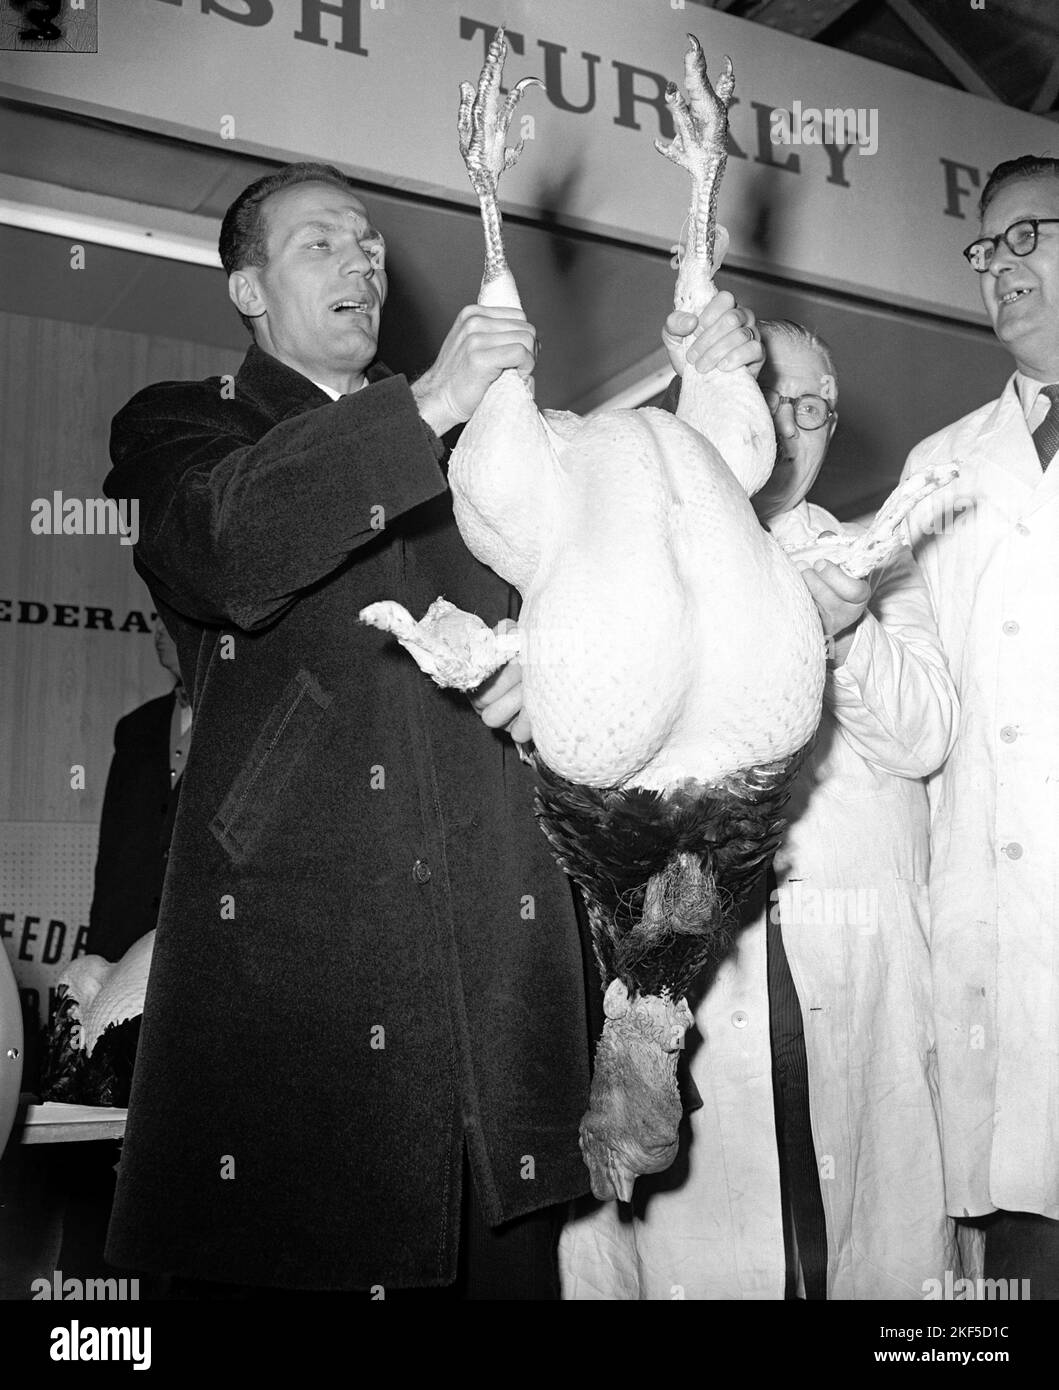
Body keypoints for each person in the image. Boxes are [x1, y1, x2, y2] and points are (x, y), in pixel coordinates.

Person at [100, 161, 600, 1298]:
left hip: (495, 972)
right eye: (319, 243)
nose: (361, 261)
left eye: (369, 242)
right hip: (304, 970)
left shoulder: (487, 459)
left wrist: (544, 688)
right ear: (246, 289)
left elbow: (565, 631)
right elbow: (222, 549)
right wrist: (421, 404)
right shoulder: (184, 426)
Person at [559, 318, 961, 1299]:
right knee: (709, 1253)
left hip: (856, 965)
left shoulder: (879, 557)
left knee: (875, 1254)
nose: (789, 427)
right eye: (767, 397)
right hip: (706, 970)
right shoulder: (642, 564)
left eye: (813, 404)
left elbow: (921, 736)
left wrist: (841, 628)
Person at [901, 155, 1059, 1296]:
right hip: (988, 932)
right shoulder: (937, 468)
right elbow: (916, 719)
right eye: (985, 250)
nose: (999, 270)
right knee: (1010, 1270)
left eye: (1026, 239)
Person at [86, 618, 191, 963]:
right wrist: (97, 952)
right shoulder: (135, 727)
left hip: (197, 942)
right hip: (124, 940)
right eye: (156, 622)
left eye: (169, 619)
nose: (158, 631)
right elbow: (112, 848)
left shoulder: (240, 725)